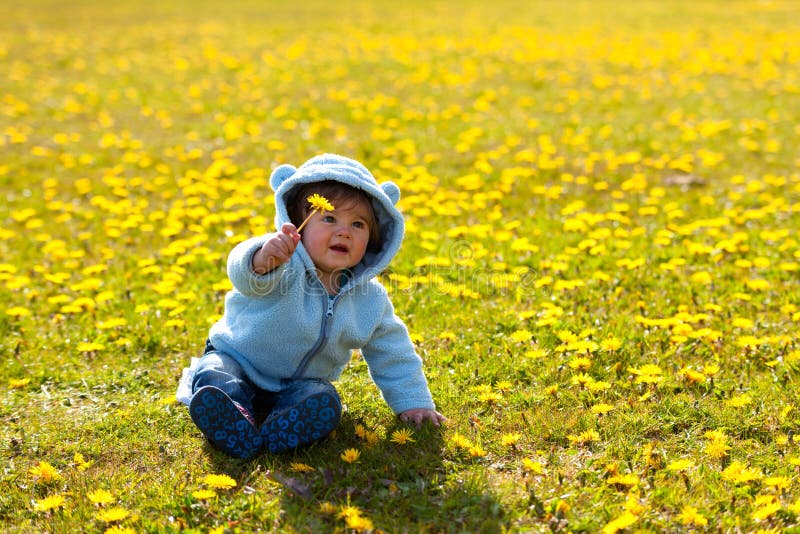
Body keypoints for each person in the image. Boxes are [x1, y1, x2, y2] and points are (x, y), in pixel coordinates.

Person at [176, 154, 446, 459]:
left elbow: (394, 352)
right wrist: (263, 259)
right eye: (329, 218)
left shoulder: (370, 300)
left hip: (298, 387)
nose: (344, 231)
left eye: (358, 224)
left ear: (373, 239)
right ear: (298, 224)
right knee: (217, 374)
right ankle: (230, 412)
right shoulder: (282, 263)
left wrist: (413, 402)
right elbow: (244, 275)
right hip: (240, 362)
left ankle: (281, 425)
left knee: (323, 397)